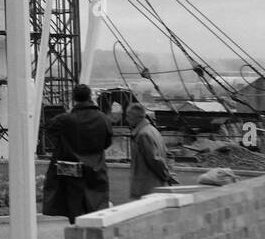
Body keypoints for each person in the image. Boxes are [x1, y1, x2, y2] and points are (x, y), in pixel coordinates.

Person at [43, 83, 113, 224]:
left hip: (71, 169)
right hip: (96, 168)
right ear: (90, 97)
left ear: (74, 98)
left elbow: (49, 127)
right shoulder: (103, 119)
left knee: (74, 208)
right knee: (96, 206)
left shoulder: (66, 119)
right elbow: (107, 142)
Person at [127, 102, 176, 198]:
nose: (126, 119)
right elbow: (168, 155)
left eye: (128, 116)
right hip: (155, 185)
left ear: (136, 117)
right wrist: (169, 173)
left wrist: (166, 175)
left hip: (147, 187)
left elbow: (154, 160)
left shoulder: (143, 135)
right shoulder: (152, 130)